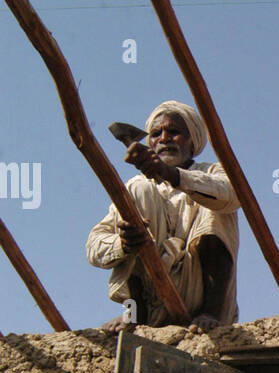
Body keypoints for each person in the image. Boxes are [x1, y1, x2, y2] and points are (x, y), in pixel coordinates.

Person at [86, 100, 239, 332]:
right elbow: (93, 246)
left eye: (174, 132)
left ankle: (211, 312)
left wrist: (171, 174)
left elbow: (234, 195)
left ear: (192, 141)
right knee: (137, 188)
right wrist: (123, 244)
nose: (164, 139)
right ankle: (134, 313)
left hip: (199, 298)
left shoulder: (211, 172)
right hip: (152, 298)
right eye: (156, 133)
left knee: (215, 204)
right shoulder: (141, 188)